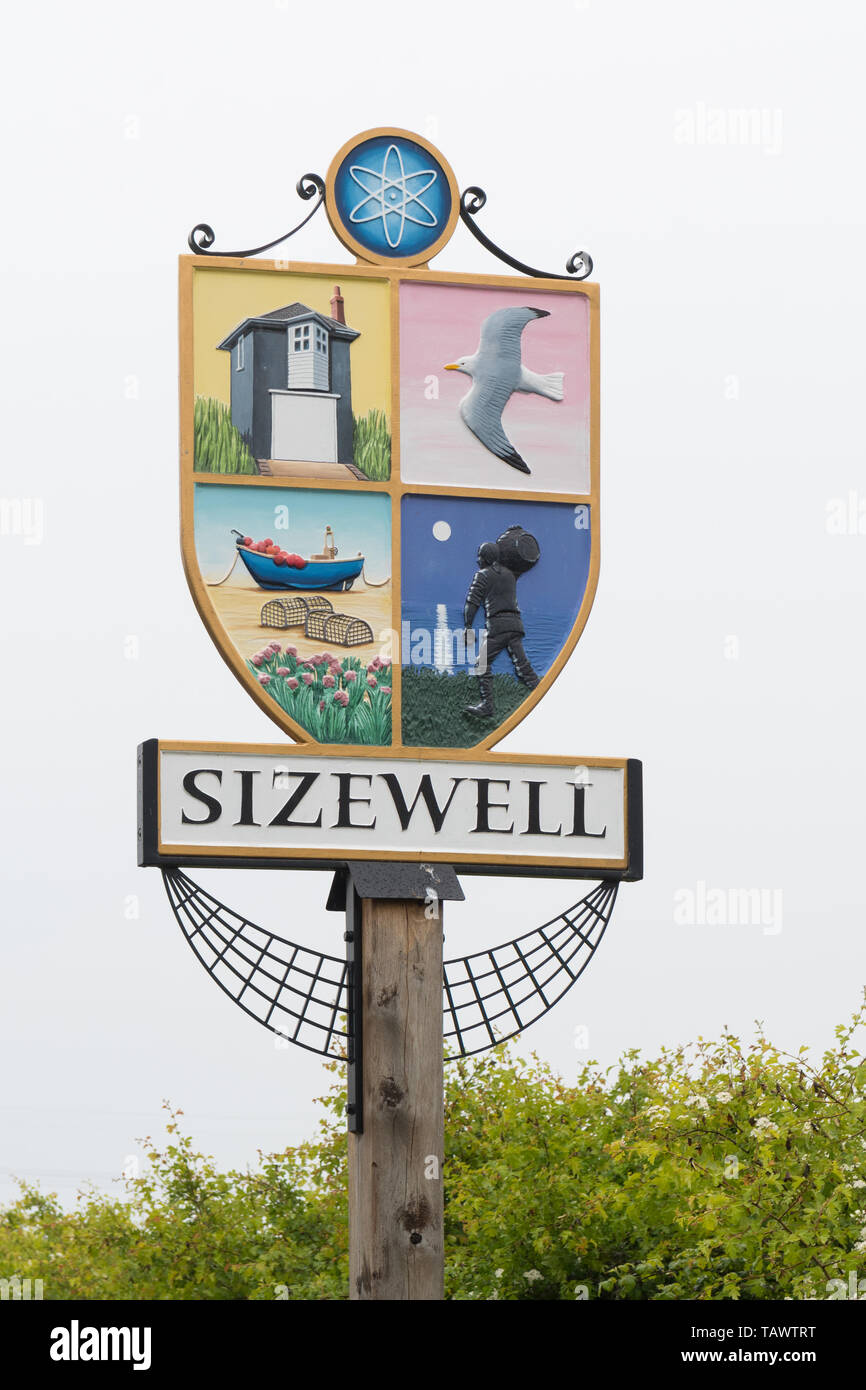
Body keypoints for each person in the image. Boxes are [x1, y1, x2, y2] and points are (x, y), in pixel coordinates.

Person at [463, 534, 539, 718]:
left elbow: (472, 603)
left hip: (498, 626)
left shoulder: (482, 575)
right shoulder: (511, 574)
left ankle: (487, 706)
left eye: (480, 556)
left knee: (482, 663)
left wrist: (468, 626)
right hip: (515, 624)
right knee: (522, 664)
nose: (477, 559)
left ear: (486, 558)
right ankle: (539, 690)